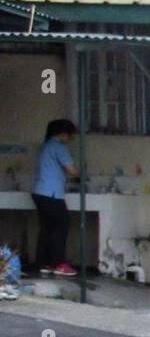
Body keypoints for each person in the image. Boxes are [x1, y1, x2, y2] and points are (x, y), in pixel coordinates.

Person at [32, 118, 79, 277]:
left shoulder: (44, 147)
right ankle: (59, 263)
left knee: (46, 229)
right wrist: (79, 176)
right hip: (52, 194)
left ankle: (43, 263)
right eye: (70, 135)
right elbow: (72, 170)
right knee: (62, 226)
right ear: (63, 133)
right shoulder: (59, 147)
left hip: (39, 192)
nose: (70, 139)